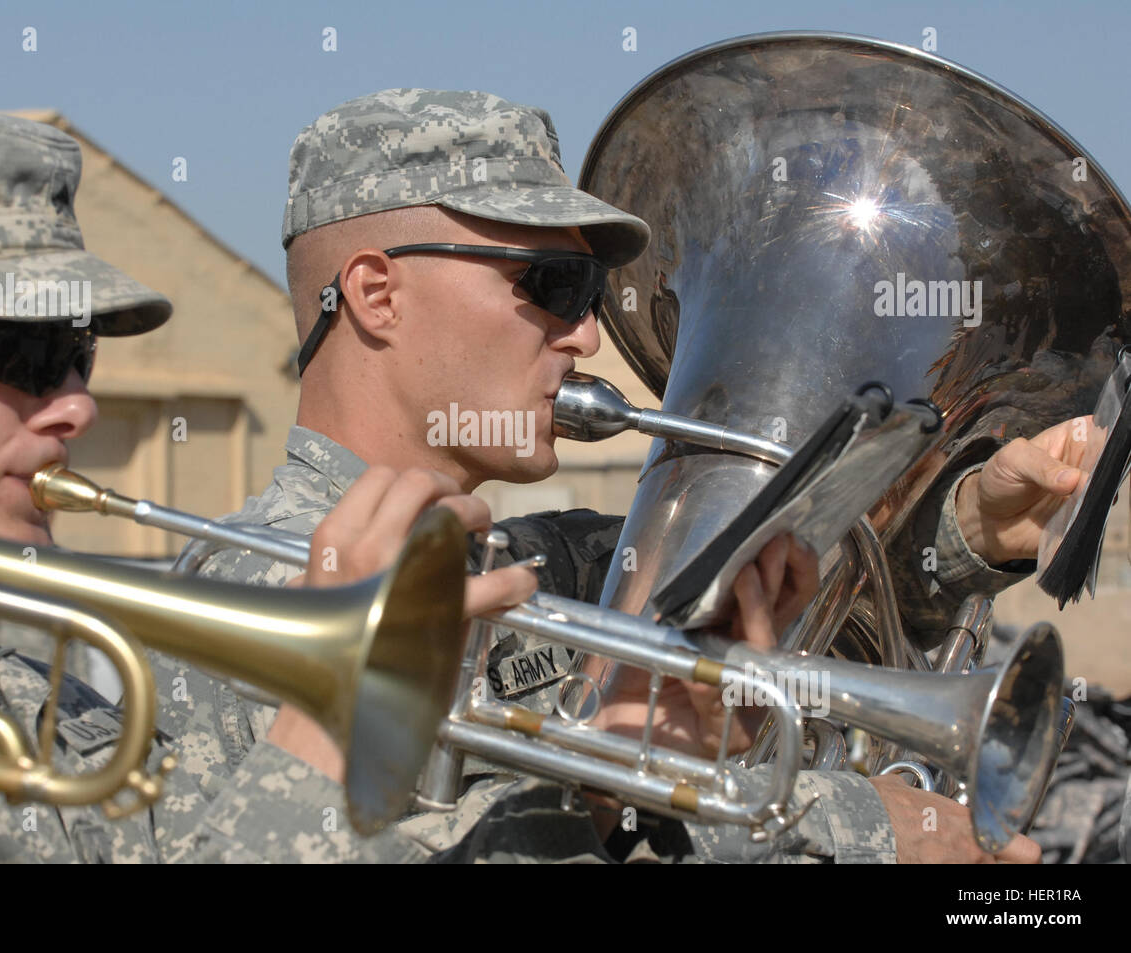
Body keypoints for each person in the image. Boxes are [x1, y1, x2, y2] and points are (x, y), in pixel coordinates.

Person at [196, 88, 1091, 864]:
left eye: (591, 295)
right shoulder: (260, 593)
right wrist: (861, 831)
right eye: (554, 281)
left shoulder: (561, 561)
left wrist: (966, 531)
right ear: (375, 293)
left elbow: (822, 623)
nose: (587, 334)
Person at [0, 97, 526, 864]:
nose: (78, 405)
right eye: (20, 350)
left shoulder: (13, 669)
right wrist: (323, 727)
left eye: (77, 353)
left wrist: (594, 798)